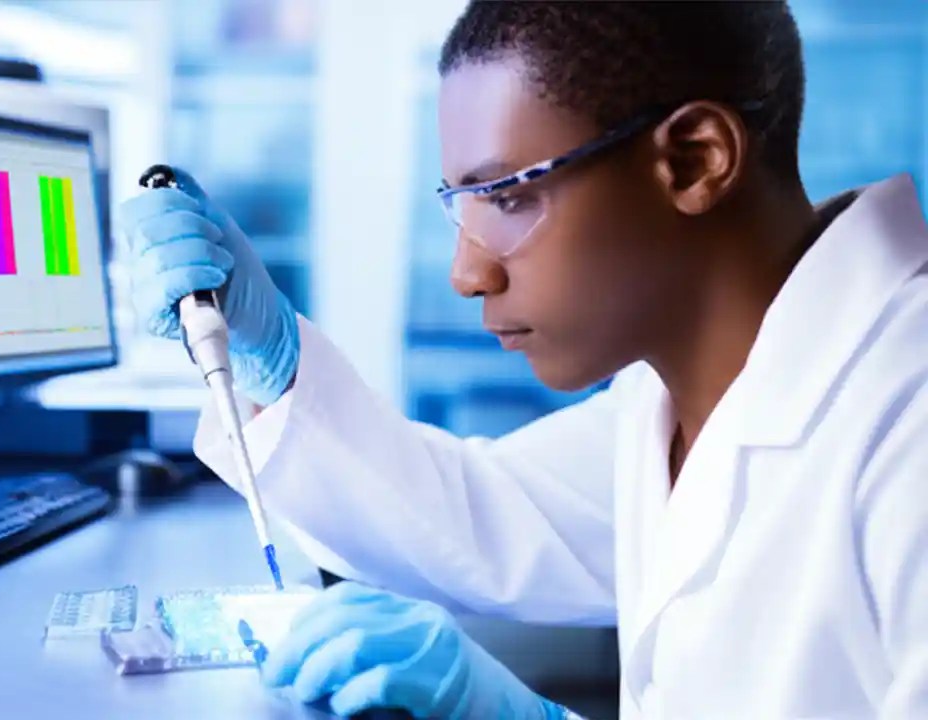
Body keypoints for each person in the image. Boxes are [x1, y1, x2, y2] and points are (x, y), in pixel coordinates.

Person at [119, 2, 928, 718]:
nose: (469, 273)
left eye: (507, 197)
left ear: (694, 158)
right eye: (461, 207)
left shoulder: (906, 419)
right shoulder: (672, 397)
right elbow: (477, 517)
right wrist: (275, 362)